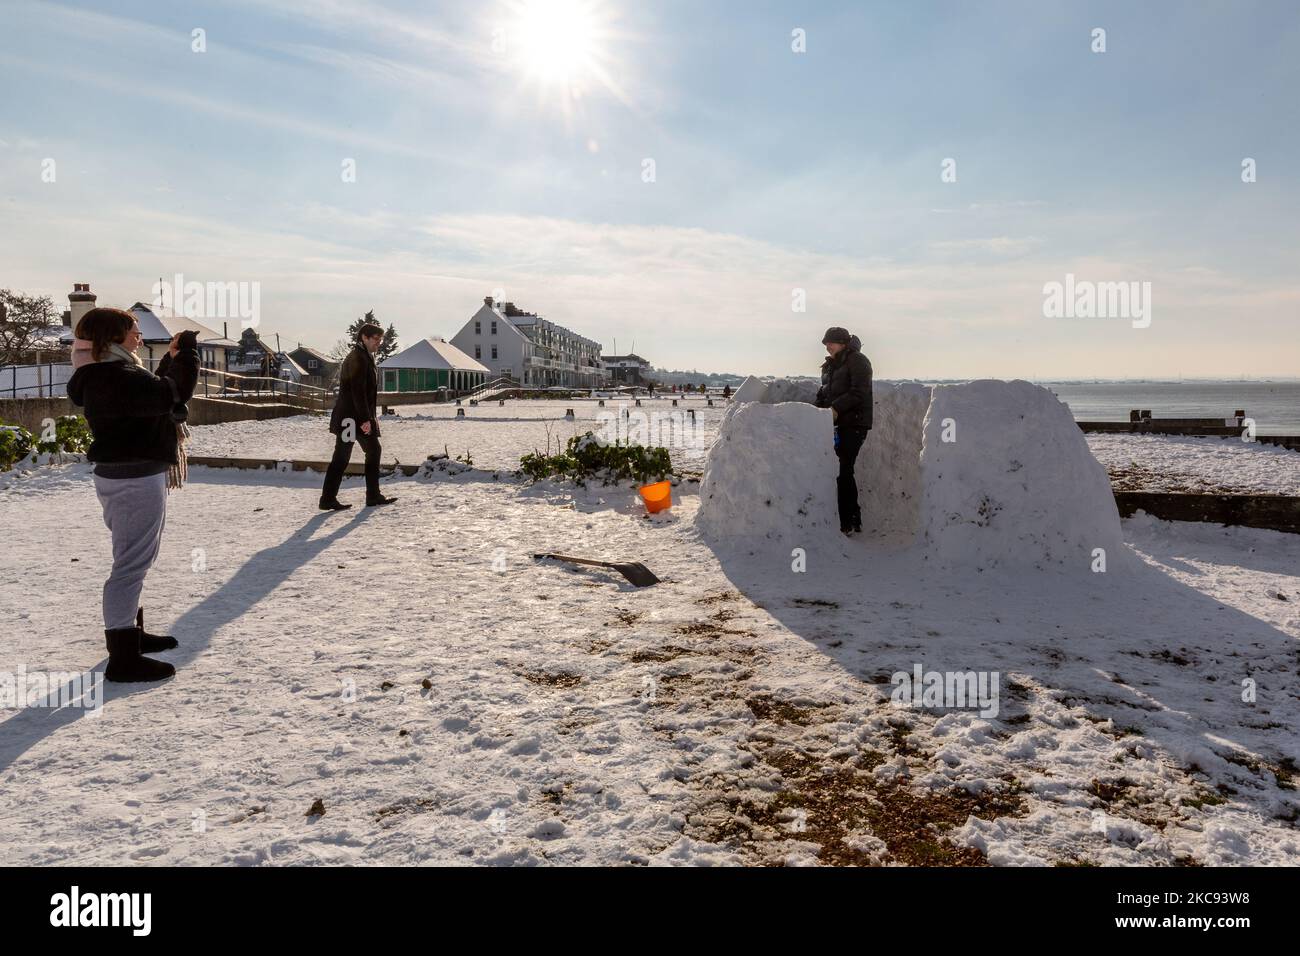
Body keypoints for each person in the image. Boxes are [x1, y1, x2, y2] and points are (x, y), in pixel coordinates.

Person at [67, 308, 199, 683]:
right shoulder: (112, 376)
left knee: (134, 559)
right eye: (134, 330)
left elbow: (153, 396)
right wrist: (187, 355)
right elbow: (172, 393)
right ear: (113, 338)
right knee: (129, 565)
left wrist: (172, 361)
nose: (139, 337)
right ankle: (123, 658)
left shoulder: (108, 373)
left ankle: (131, 636)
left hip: (130, 475)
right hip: (132, 478)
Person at [320, 322, 396, 510]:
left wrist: (368, 418)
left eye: (380, 339)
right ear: (364, 337)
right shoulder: (357, 358)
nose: (379, 343)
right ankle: (334, 498)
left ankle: (369, 495)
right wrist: (365, 420)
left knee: (364, 452)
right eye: (376, 339)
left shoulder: (364, 357)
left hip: (355, 418)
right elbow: (357, 392)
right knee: (344, 457)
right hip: (351, 419)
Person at [814, 326, 873, 535]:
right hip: (837, 424)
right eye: (826, 343)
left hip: (854, 424)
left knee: (843, 470)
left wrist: (836, 409)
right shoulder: (829, 366)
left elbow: (860, 391)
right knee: (841, 470)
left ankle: (847, 522)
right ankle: (852, 519)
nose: (827, 346)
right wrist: (816, 410)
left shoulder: (858, 361)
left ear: (844, 343)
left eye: (831, 342)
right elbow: (825, 393)